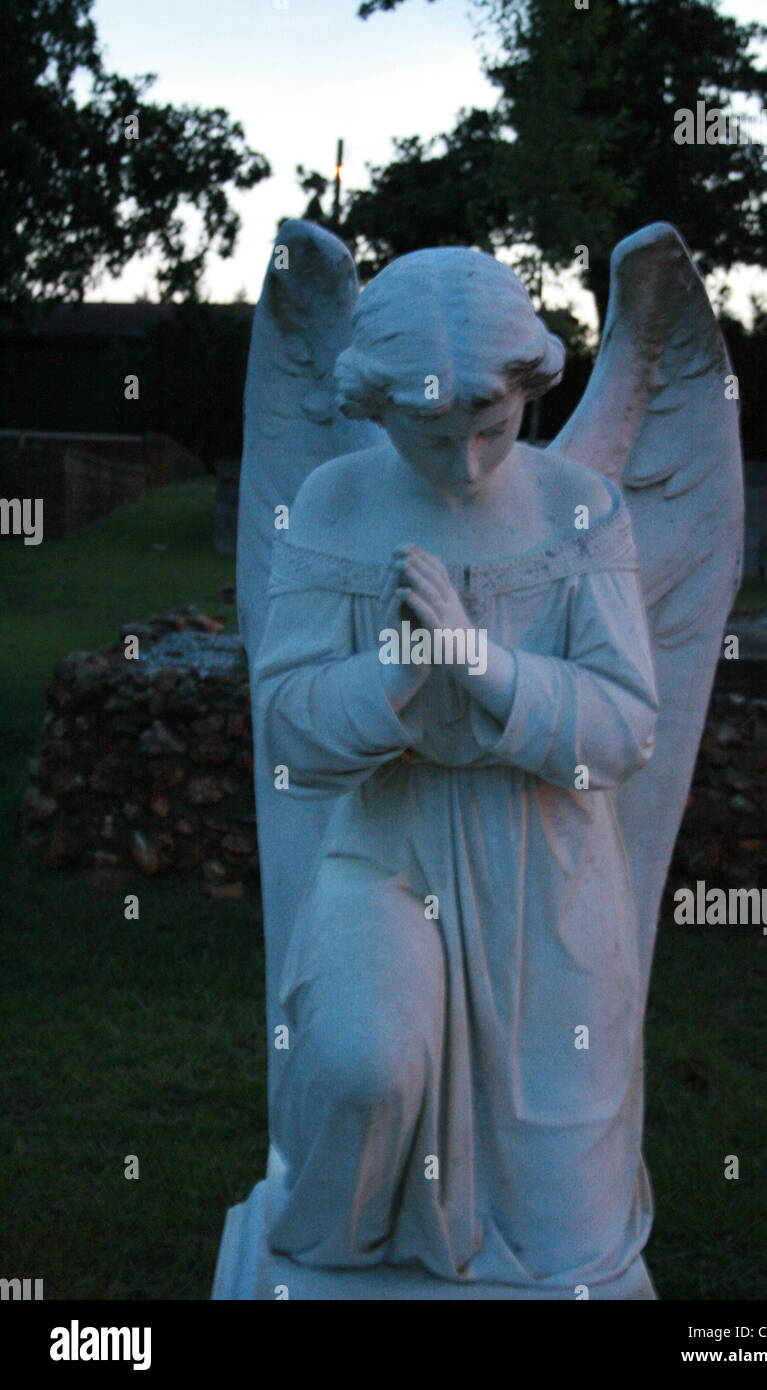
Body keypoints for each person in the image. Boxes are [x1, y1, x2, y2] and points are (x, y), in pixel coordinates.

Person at [252, 247, 661, 1295]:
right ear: (376, 407)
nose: (469, 462)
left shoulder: (579, 508)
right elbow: (290, 728)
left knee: (566, 1245)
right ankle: (335, 1250)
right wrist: (396, 666)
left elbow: (620, 729)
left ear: (526, 386)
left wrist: (482, 664)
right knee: (358, 1070)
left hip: (546, 873)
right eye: (434, 435)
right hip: (385, 849)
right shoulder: (334, 504)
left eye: (491, 428)